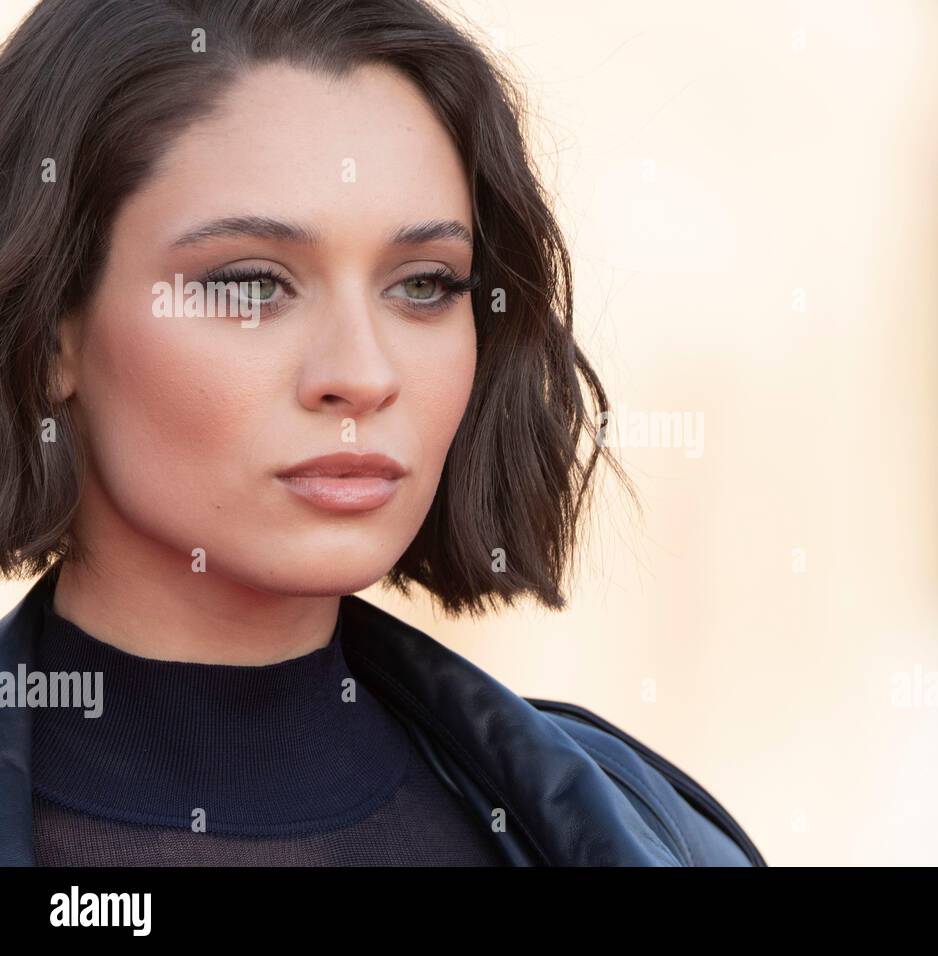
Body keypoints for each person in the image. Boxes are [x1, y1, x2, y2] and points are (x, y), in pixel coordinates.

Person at [0, 0, 764, 867]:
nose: (364, 374)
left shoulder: (653, 833)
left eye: (425, 285)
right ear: (53, 327)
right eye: (252, 284)